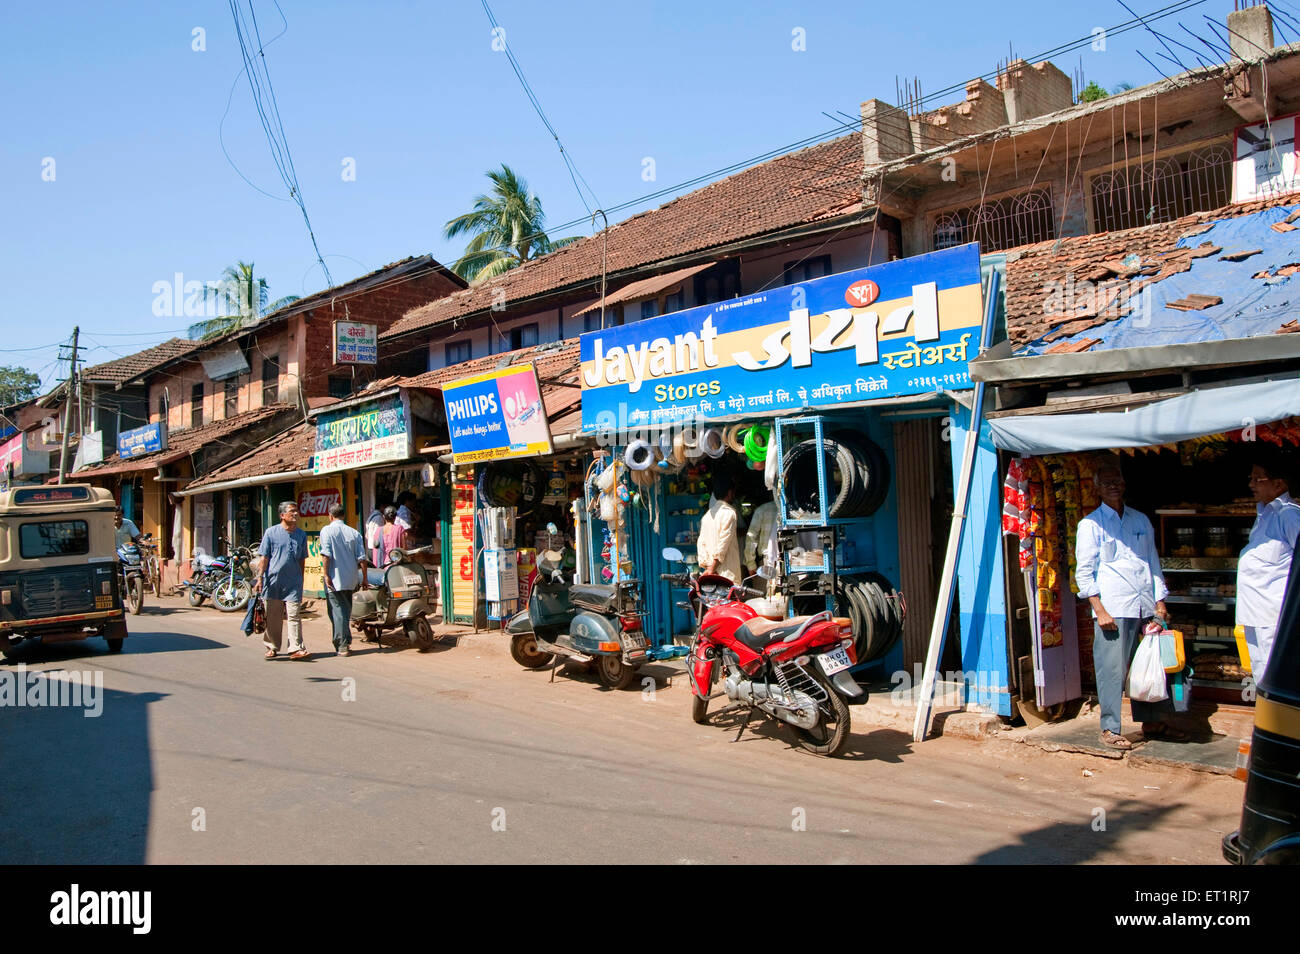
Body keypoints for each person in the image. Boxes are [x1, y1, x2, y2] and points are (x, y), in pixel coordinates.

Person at [1075, 458, 1183, 748]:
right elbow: (1083, 573)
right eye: (1107, 482)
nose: (1114, 487)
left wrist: (1160, 602)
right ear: (1097, 488)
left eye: (1117, 481)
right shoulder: (1091, 525)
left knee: (1149, 666)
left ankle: (1152, 722)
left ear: (1124, 485)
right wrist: (1099, 610)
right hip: (1114, 608)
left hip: (1145, 605)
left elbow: (1152, 562)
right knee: (1112, 670)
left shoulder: (1140, 520)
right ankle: (1110, 728)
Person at [1237, 451, 1300, 682]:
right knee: (1261, 673)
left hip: (1274, 616)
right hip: (1257, 613)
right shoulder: (1265, 514)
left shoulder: (1289, 516)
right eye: (1251, 478)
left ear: (1279, 483)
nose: (1251, 484)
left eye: (1257, 478)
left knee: (1276, 676)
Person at [256, 500, 310, 661]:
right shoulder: (271, 533)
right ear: (282, 515)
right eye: (291, 511)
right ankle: (272, 646)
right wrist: (259, 578)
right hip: (273, 582)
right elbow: (264, 558)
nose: (295, 514)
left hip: (293, 582)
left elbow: (302, 559)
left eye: (296, 511)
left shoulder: (301, 534)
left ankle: (295, 648)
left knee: (294, 615)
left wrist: (301, 579)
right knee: (273, 617)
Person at [319, 503, 367, 657]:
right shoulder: (354, 533)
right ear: (343, 516)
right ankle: (344, 641)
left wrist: (326, 574)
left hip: (334, 579)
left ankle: (342, 645)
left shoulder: (326, 530)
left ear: (330, 516)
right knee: (343, 611)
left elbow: (325, 554)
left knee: (337, 612)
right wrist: (364, 578)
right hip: (350, 578)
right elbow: (362, 558)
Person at [697, 472, 741, 583]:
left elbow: (701, 544)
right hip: (727, 576)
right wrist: (712, 568)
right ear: (730, 493)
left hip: (711, 575)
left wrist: (709, 568)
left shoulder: (707, 516)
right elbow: (723, 543)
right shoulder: (729, 513)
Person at [744, 497, 779, 578]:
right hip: (792, 560)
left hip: (766, 562)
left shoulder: (762, 510)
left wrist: (751, 564)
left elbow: (751, 537)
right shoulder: (796, 511)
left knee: (765, 590)